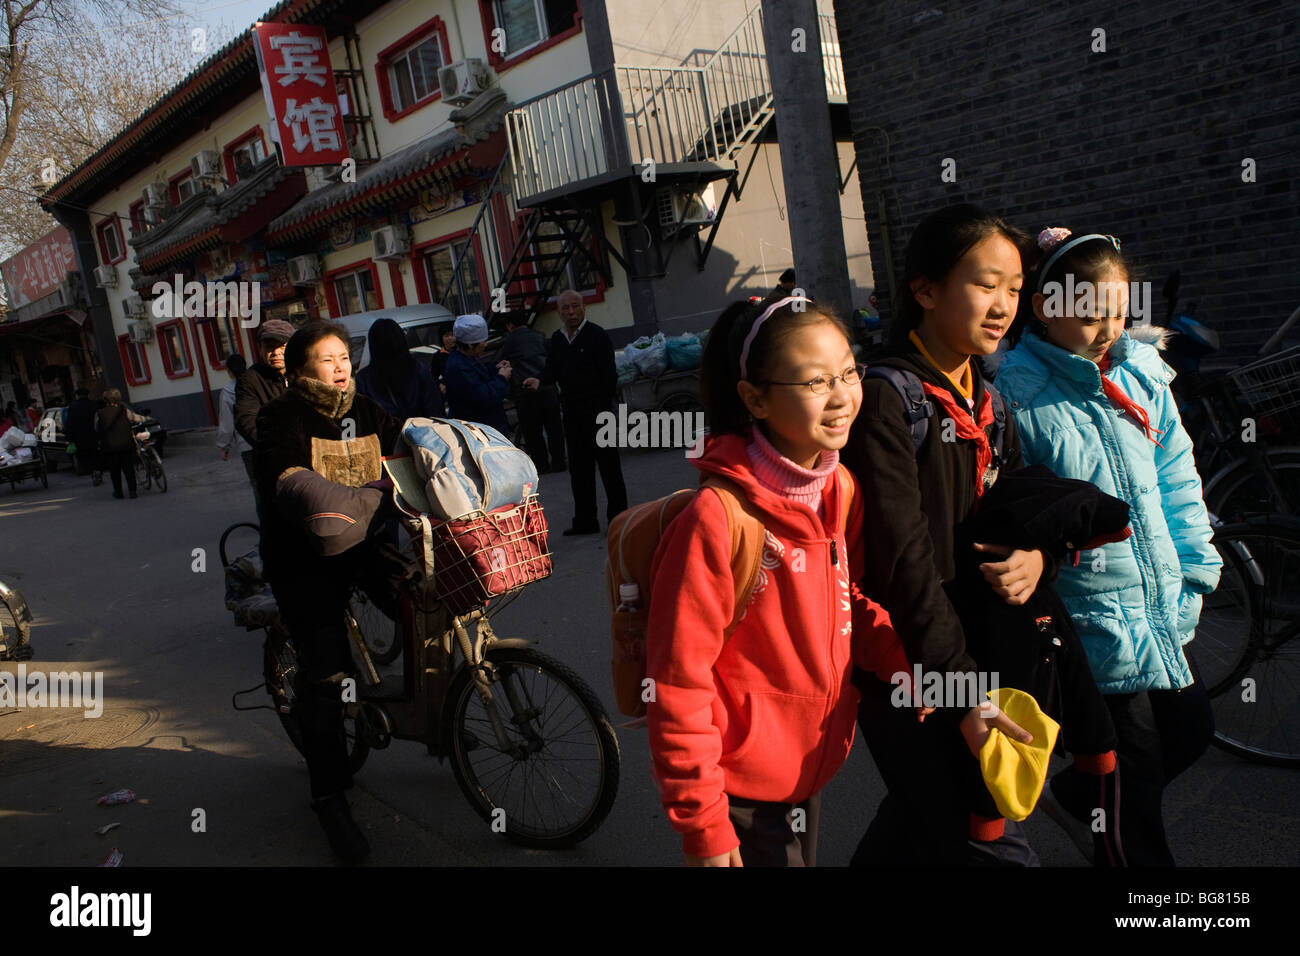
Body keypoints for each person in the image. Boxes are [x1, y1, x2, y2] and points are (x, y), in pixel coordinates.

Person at [645, 296, 901, 866]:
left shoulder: (839, 488)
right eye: (814, 382)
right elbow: (676, 683)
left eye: (848, 372)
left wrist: (908, 658)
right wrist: (704, 825)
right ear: (754, 398)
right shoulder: (717, 518)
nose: (842, 397)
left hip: (805, 766)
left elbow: (848, 600)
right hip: (738, 787)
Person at [996, 226, 1222, 867]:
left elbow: (1177, 472)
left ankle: (1075, 796)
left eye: (1118, 313)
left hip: (1156, 601)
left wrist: (1197, 563)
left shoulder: (1143, 371)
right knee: (1133, 783)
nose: (1107, 329)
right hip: (1087, 619)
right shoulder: (1017, 395)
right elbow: (1021, 513)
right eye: (1090, 315)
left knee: (1190, 729)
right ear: (1045, 308)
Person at [839, 203, 1044, 866]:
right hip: (906, 662)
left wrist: (1037, 556)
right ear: (925, 290)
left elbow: (1015, 507)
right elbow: (903, 563)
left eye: (1014, 289)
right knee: (964, 825)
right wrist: (960, 688)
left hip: (970, 647)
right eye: (985, 284)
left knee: (923, 817)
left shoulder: (987, 394)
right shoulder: (887, 399)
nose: (1004, 304)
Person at [255, 320, 401, 864]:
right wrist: (351, 497)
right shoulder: (280, 418)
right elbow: (285, 475)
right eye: (327, 359)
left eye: (344, 357)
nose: (341, 368)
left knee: (429, 605)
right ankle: (329, 796)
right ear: (298, 372)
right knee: (327, 677)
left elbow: (406, 442)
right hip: (304, 560)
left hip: (366, 546)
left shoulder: (366, 411)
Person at [522, 290, 627, 534]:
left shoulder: (597, 335)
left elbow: (609, 376)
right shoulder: (557, 340)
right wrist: (539, 380)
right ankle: (585, 520)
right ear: (558, 313)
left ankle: (620, 518)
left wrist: (601, 407)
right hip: (572, 414)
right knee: (580, 470)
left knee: (610, 468)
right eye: (565, 309)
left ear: (583, 308)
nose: (570, 312)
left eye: (574, 307)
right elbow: (552, 369)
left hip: (599, 414)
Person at [235, 318, 295, 516]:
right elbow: (247, 420)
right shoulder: (250, 380)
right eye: (270, 346)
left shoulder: (305, 372)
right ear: (260, 348)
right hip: (273, 464)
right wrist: (275, 448)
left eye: (282, 346)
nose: (276, 352)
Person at [498, 313, 565, 472]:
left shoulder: (508, 342)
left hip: (525, 391)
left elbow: (503, 364)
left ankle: (541, 465)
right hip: (547, 388)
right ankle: (559, 462)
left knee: (533, 432)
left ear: (510, 326)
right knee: (554, 428)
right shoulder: (540, 336)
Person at [355, 317, 444, 422]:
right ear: (402, 340)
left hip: (387, 437)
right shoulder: (419, 371)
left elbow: (362, 420)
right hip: (422, 435)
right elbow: (436, 412)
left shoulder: (363, 380)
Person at [443, 313, 511, 433]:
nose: (485, 345)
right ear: (470, 345)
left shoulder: (466, 358)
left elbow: (478, 375)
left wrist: (494, 368)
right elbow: (483, 397)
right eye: (482, 342)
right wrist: (501, 378)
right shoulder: (459, 368)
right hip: (480, 432)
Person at [95, 388, 146, 499]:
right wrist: (146, 419)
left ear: (105, 400)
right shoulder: (123, 410)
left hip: (110, 447)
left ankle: (118, 492)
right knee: (129, 469)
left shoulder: (100, 413)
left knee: (114, 471)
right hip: (126, 445)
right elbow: (136, 418)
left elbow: (96, 429)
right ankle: (132, 491)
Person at [216, 353, 251, 465]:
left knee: (256, 480)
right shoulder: (257, 383)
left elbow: (227, 421)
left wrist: (224, 446)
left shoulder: (227, 391)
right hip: (268, 439)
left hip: (246, 442)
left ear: (229, 371)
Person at [65, 387, 102, 482]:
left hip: (80, 438)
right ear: (88, 395)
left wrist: (69, 438)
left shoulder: (73, 407)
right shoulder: (93, 405)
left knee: (85, 457)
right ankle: (97, 470)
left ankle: (92, 472)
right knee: (95, 454)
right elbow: (100, 421)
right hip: (94, 435)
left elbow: (69, 423)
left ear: (77, 396)